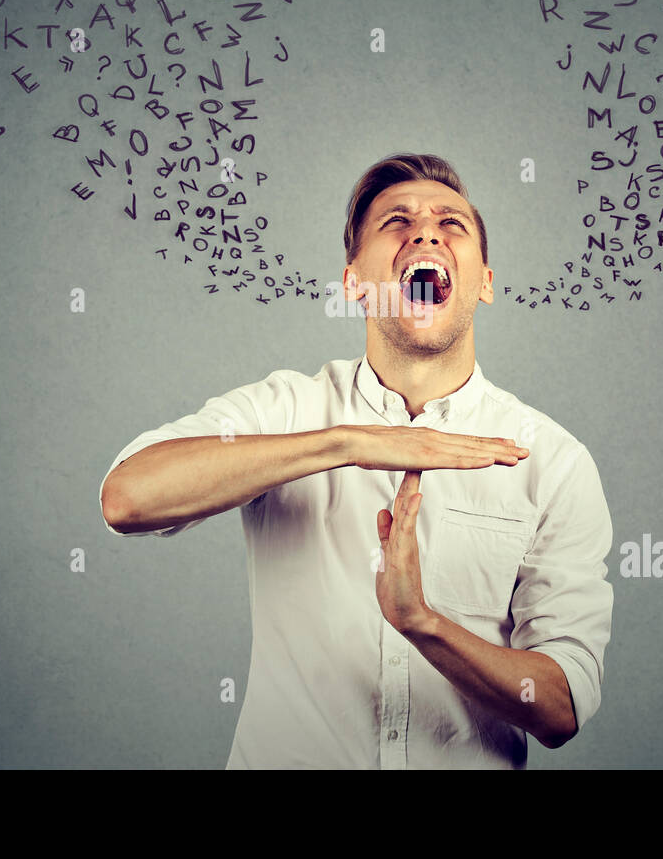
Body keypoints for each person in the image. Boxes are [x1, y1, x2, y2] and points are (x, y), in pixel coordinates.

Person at [99, 153, 614, 769]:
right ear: (352, 283)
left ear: (484, 281)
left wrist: (423, 624)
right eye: (396, 221)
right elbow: (128, 497)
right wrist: (347, 442)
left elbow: (560, 706)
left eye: (452, 224)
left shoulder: (551, 461)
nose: (425, 231)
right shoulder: (289, 408)